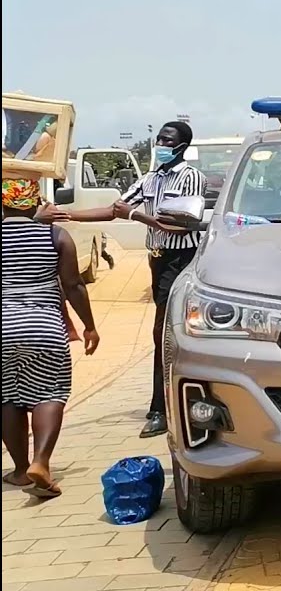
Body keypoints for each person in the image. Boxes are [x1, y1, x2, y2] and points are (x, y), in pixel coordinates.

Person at [61, 121, 206, 438]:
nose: (161, 144)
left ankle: (161, 410)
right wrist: (65, 215)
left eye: (167, 140)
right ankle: (168, 403)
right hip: (157, 261)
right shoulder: (151, 179)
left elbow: (185, 225)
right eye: (159, 139)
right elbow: (115, 209)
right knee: (164, 334)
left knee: (162, 333)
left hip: (182, 260)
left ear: (182, 146)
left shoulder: (190, 177)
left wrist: (137, 215)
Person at [2, 178, 99, 499]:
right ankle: (41, 462)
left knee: (8, 398)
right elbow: (73, 285)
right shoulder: (55, 235)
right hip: (44, 326)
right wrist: (89, 326)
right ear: (36, 200)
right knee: (50, 392)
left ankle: (19, 470)